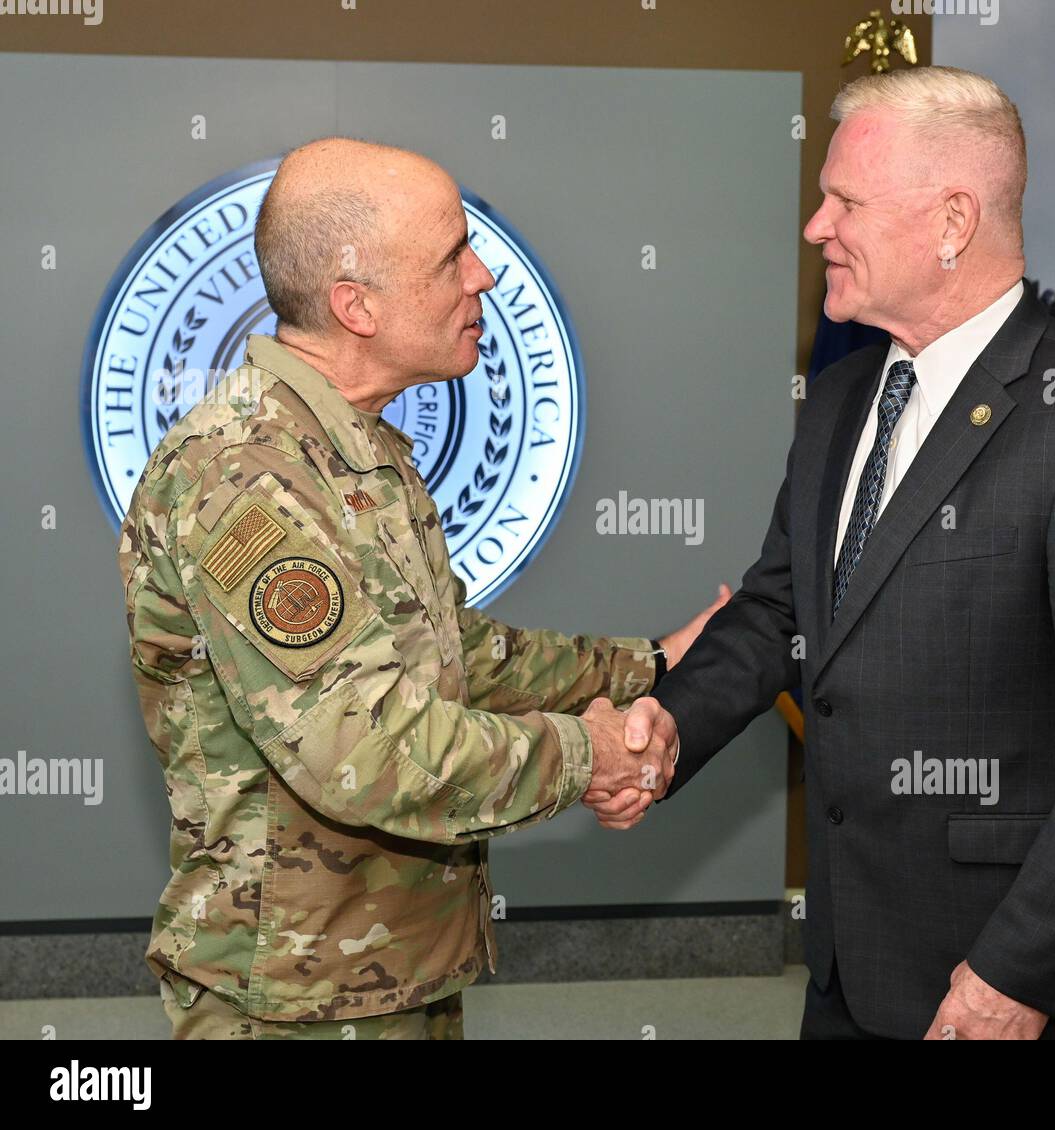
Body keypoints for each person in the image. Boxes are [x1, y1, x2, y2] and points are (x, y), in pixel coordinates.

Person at [588, 67, 1055, 1041]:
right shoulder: (843, 402)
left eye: (844, 200)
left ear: (951, 221)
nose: (815, 226)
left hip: (1017, 988)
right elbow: (779, 611)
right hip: (847, 963)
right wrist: (663, 731)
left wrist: (1017, 971)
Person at [117, 137, 722, 1039]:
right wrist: (595, 756)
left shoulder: (358, 450)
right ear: (355, 305)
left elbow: (453, 655)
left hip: (394, 975)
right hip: (292, 1005)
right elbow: (368, 751)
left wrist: (647, 664)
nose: (482, 277)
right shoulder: (241, 475)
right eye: (451, 258)